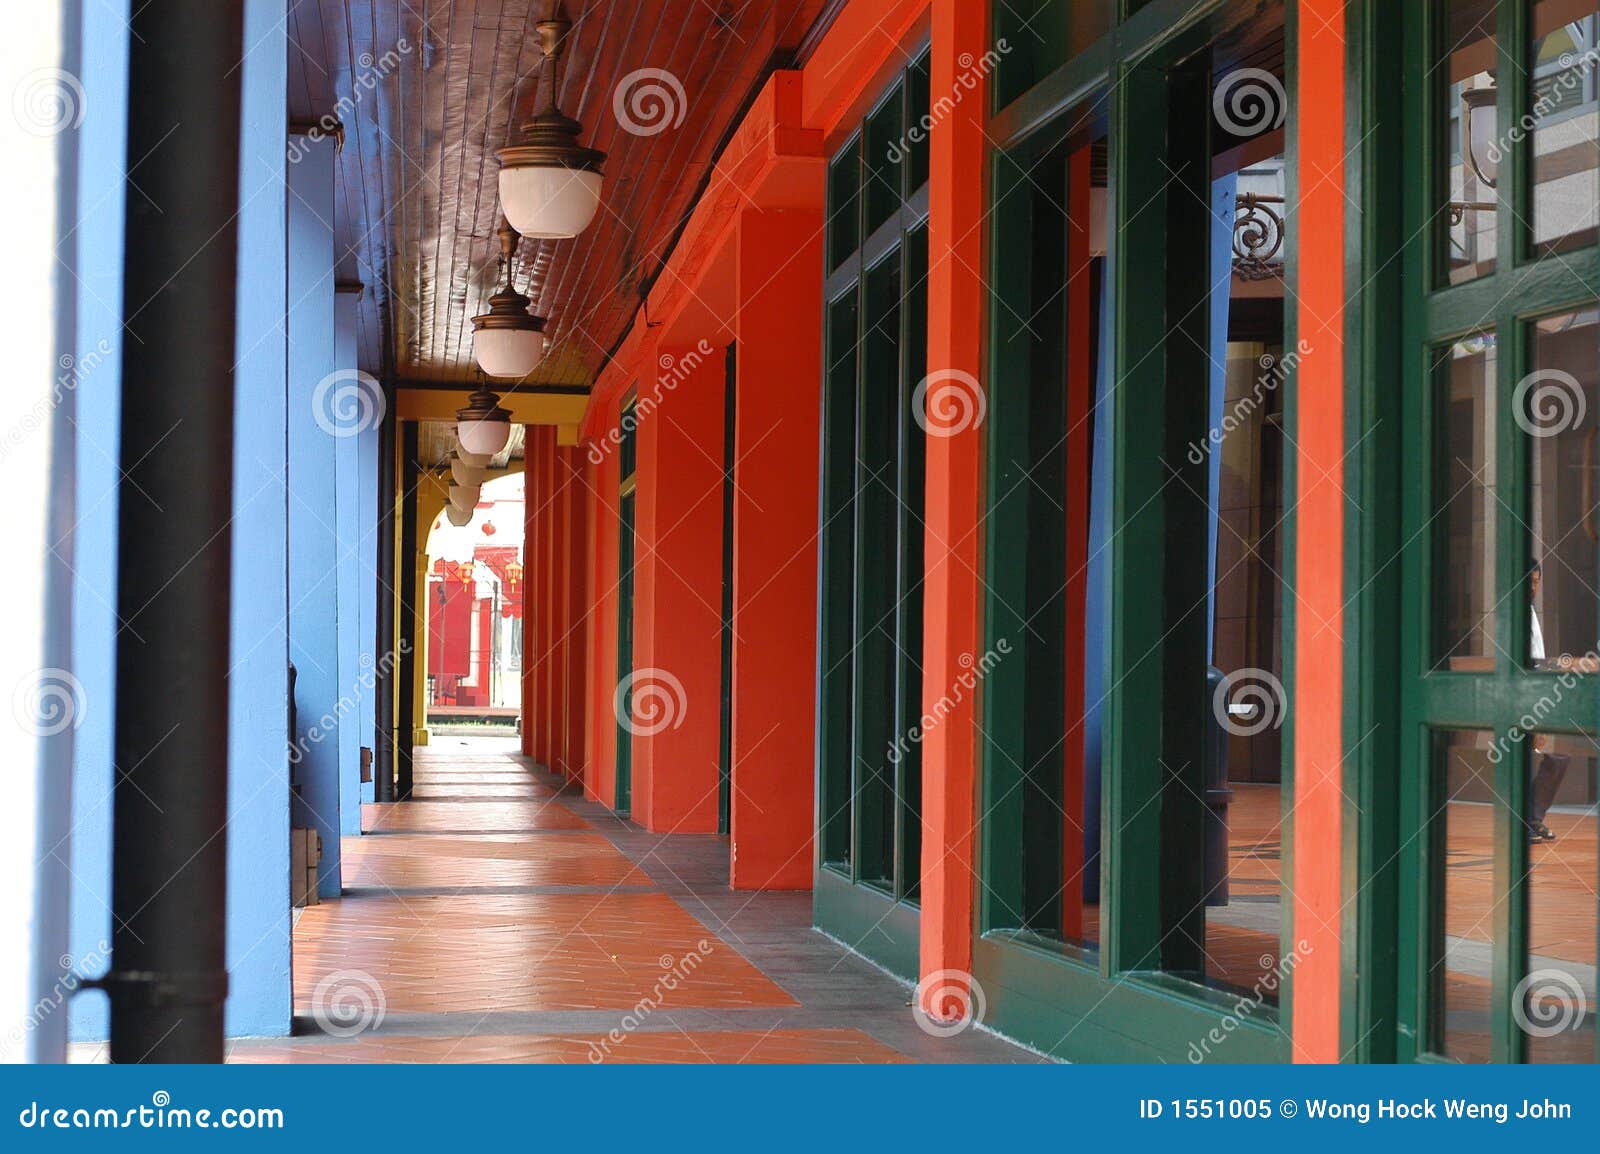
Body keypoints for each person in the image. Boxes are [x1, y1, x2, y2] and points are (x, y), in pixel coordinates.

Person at [1526, 561, 1569, 843]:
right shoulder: (1515, 614)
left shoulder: (1530, 612)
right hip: (1525, 696)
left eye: (1537, 581)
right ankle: (1529, 820)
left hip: (1538, 692)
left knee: (1555, 759)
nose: (1534, 587)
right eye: (1530, 581)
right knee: (1539, 758)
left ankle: (1532, 818)